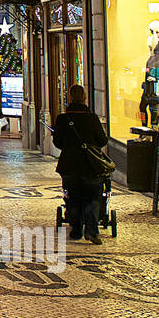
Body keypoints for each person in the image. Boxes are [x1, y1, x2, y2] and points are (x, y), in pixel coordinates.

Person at [52, 83, 109, 244]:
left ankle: (76, 230)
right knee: (93, 197)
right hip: (91, 165)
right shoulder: (92, 118)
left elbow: (57, 143)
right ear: (85, 98)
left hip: (69, 165)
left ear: (69, 98)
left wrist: (70, 146)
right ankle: (91, 230)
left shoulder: (63, 119)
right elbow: (102, 140)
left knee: (74, 197)